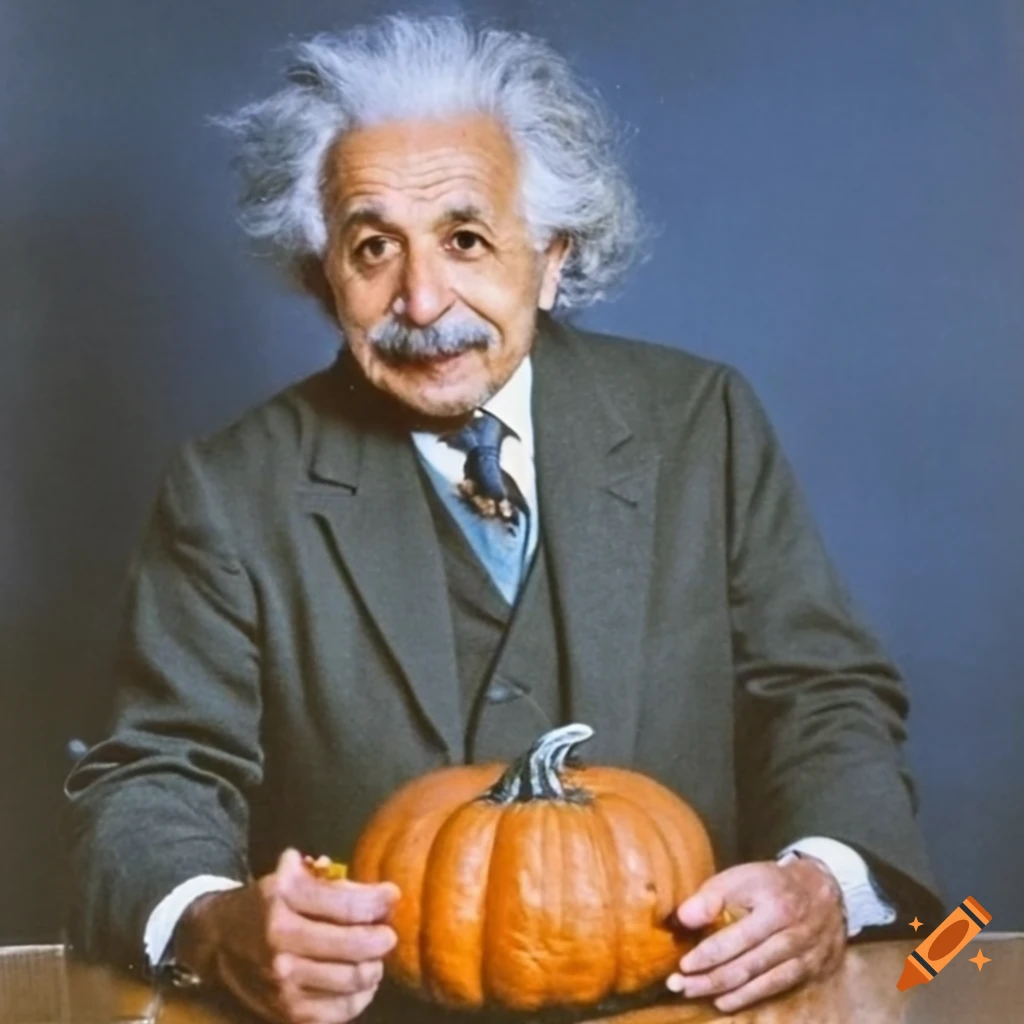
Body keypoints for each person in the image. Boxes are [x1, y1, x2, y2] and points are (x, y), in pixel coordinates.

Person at [65, 14, 942, 1024]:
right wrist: (212, 922)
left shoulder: (700, 421)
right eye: (372, 247)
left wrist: (823, 879)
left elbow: (822, 694)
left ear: (551, 257)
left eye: (466, 238)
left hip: (692, 1007)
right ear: (322, 278)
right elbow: (152, 770)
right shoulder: (229, 487)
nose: (424, 298)